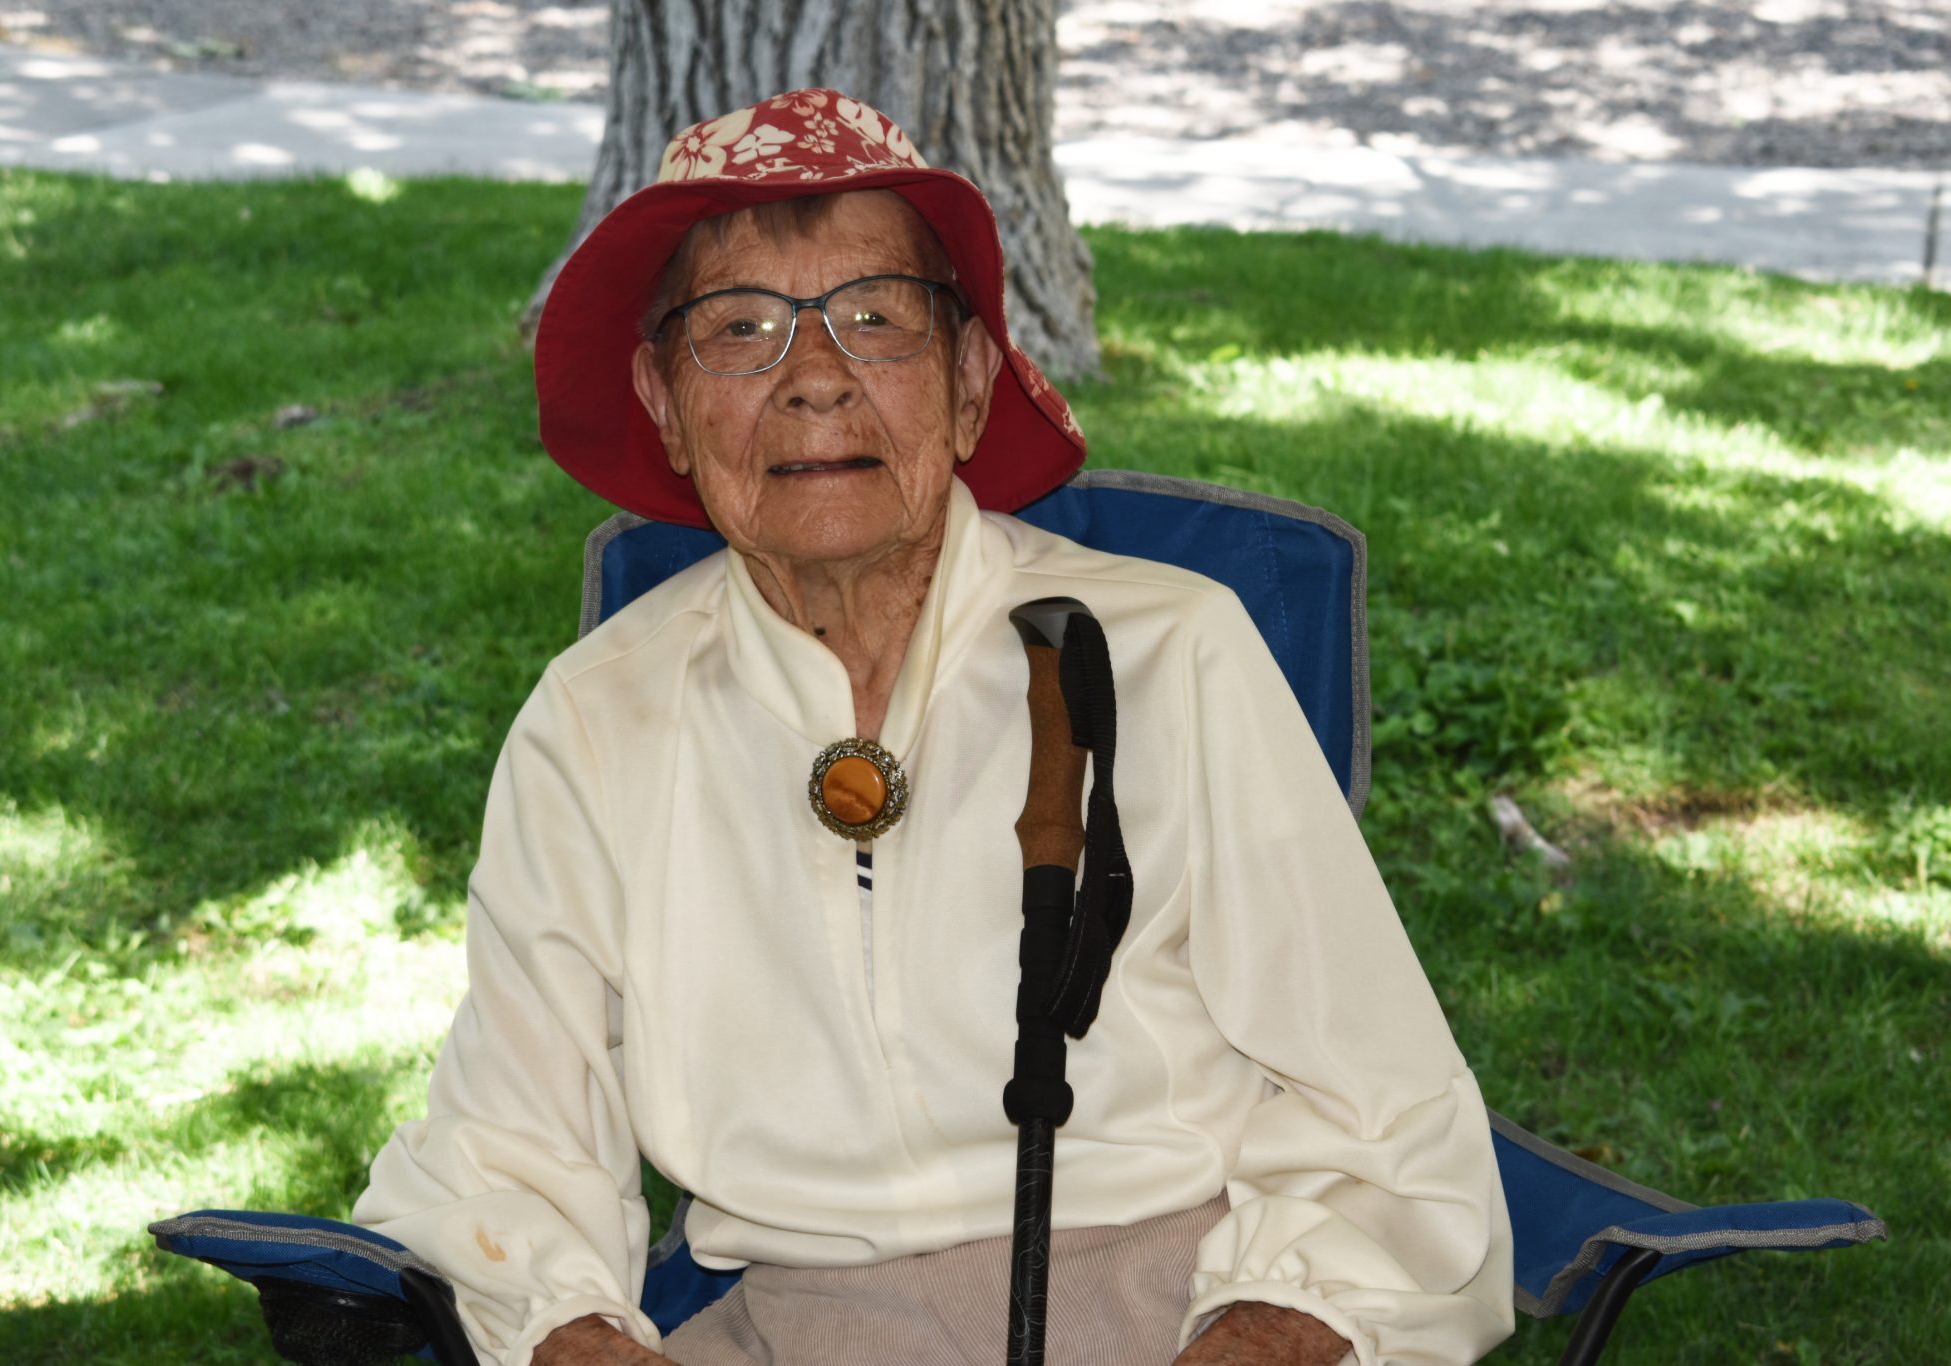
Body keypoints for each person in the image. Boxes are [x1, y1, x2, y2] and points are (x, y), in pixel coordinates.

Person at [353, 89, 1513, 1366]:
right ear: (665, 404)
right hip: (789, 1328)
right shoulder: (597, 714)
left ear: (968, 383)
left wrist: (1260, 1337)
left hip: (1174, 1304)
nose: (809, 381)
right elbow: (504, 1148)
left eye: (873, 319)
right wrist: (576, 1340)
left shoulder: (1170, 650)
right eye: (736, 329)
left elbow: (1378, 1110)